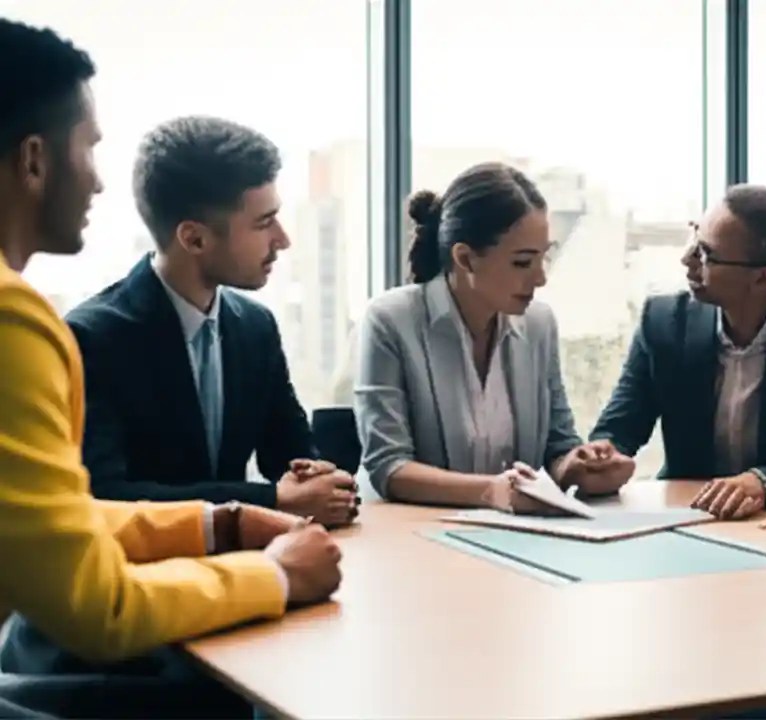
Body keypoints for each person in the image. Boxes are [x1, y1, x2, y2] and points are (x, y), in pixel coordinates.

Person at [0, 18, 341, 718]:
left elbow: (59, 519)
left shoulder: (255, 327)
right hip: (80, 661)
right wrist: (271, 575)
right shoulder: (21, 323)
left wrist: (224, 523)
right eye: (88, 149)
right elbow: (98, 605)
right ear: (34, 160)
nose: (97, 181)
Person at [63, 116, 357, 525]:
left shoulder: (256, 327)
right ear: (194, 239)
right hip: (148, 574)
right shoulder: (93, 338)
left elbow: (293, 457)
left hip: (254, 563)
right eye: (263, 222)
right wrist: (269, 501)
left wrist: (322, 481)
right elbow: (109, 496)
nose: (283, 240)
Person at [354, 162, 633, 512]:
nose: (540, 279)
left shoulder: (538, 324)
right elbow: (389, 467)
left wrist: (578, 467)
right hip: (411, 538)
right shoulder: (390, 320)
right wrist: (492, 492)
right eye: (522, 263)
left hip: (512, 539)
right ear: (466, 259)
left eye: (544, 258)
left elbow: (557, 447)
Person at [590, 184, 766, 520]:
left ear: (763, 279)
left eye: (705, 253)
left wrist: (763, 482)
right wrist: (600, 455)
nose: (687, 259)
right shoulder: (664, 321)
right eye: (693, 237)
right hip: (686, 514)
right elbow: (620, 427)